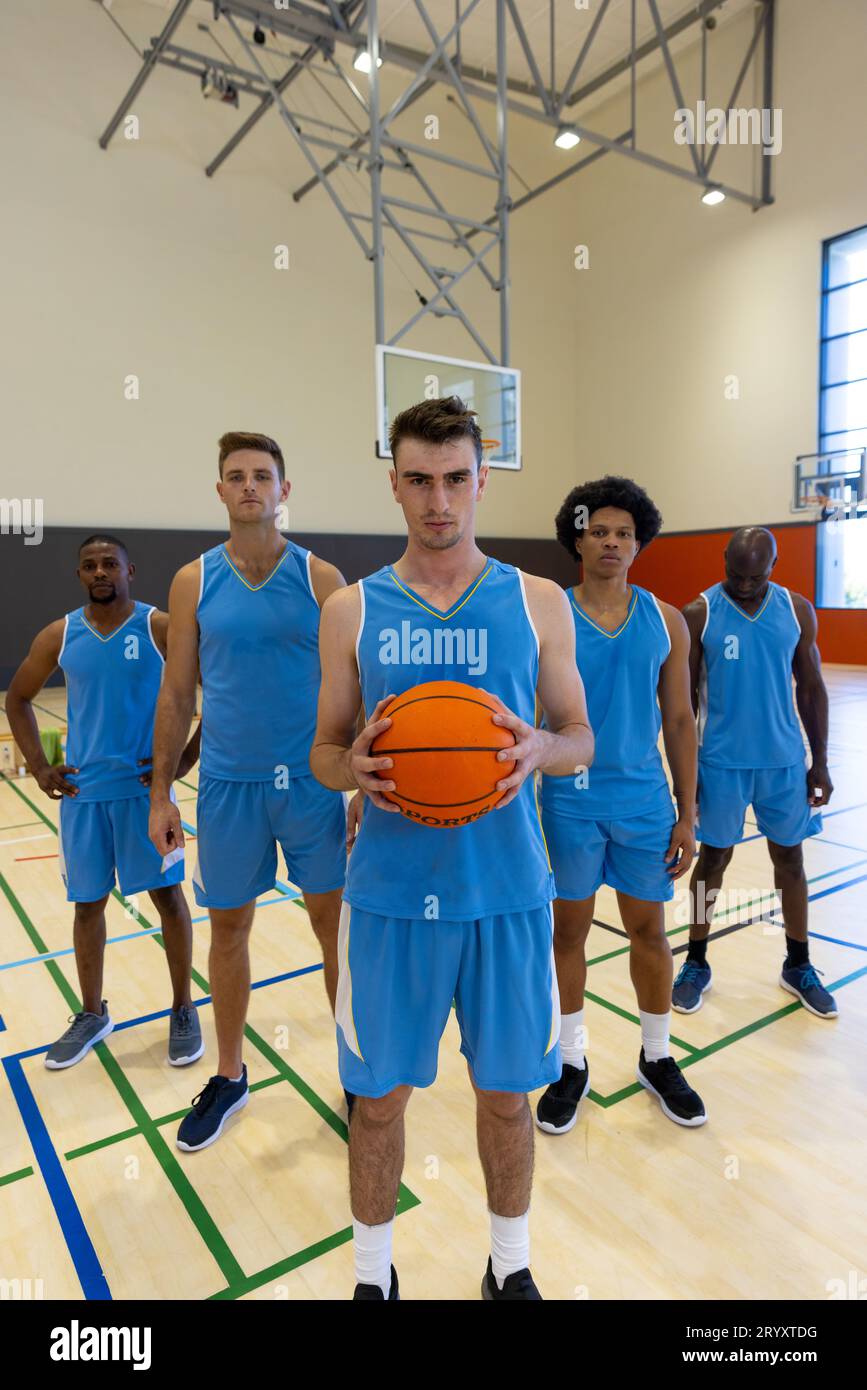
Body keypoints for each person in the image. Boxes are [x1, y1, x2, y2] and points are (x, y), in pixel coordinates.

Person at [311, 397, 594, 1300]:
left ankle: (507, 1270)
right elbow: (321, 755)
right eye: (420, 480)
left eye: (457, 478)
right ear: (394, 484)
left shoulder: (537, 599)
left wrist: (541, 749)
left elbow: (580, 734)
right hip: (389, 898)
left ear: (482, 480)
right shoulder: (351, 609)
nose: (440, 500)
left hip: (509, 894)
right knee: (379, 1102)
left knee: (508, 1098)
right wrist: (348, 766)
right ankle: (371, 1277)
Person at [148, 432, 348, 1152]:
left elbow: (353, 689)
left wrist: (355, 783)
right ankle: (230, 1075)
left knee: (335, 928)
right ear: (220, 491)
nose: (249, 487)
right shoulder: (192, 581)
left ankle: (355, 1072)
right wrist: (161, 795)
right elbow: (176, 696)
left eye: (263, 476)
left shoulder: (323, 578)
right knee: (228, 931)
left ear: (284, 491)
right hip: (229, 787)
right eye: (235, 476)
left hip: (312, 786)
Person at [537, 478, 706, 1133]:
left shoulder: (664, 620)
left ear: (638, 544)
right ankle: (570, 1061)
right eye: (598, 530)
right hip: (569, 804)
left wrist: (687, 814)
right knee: (568, 934)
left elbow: (679, 721)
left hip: (644, 804)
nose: (611, 541)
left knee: (649, 933)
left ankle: (657, 1056)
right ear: (576, 538)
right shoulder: (548, 614)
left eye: (623, 533)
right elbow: (530, 715)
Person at [6, 534, 201, 1069]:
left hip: (146, 798)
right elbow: (18, 698)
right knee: (87, 906)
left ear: (129, 570)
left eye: (108, 563)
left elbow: (219, 689)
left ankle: (184, 1007)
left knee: (168, 899)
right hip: (85, 799)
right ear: (79, 575)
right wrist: (41, 766)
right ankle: (92, 1013)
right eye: (89, 565)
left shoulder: (159, 627)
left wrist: (182, 762)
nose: (99, 572)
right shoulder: (59, 634)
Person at [673, 526, 836, 1018]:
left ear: (773, 566)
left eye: (756, 576)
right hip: (720, 764)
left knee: (790, 860)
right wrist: (687, 778)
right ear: (724, 560)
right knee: (713, 862)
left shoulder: (796, 610)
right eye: (736, 574)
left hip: (783, 764)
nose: (744, 584)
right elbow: (681, 705)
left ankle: (799, 963)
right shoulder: (698, 614)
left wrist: (821, 761)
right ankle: (697, 960)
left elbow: (811, 688)